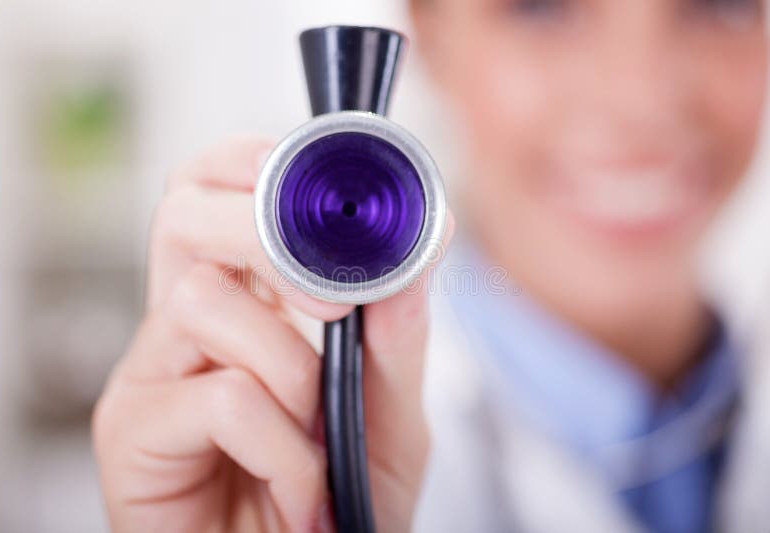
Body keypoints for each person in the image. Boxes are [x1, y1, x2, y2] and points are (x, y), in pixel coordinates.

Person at [92, 0, 769, 531]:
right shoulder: (276, 443)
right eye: (539, 5)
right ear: (430, 37)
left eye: (724, 2)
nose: (640, 98)